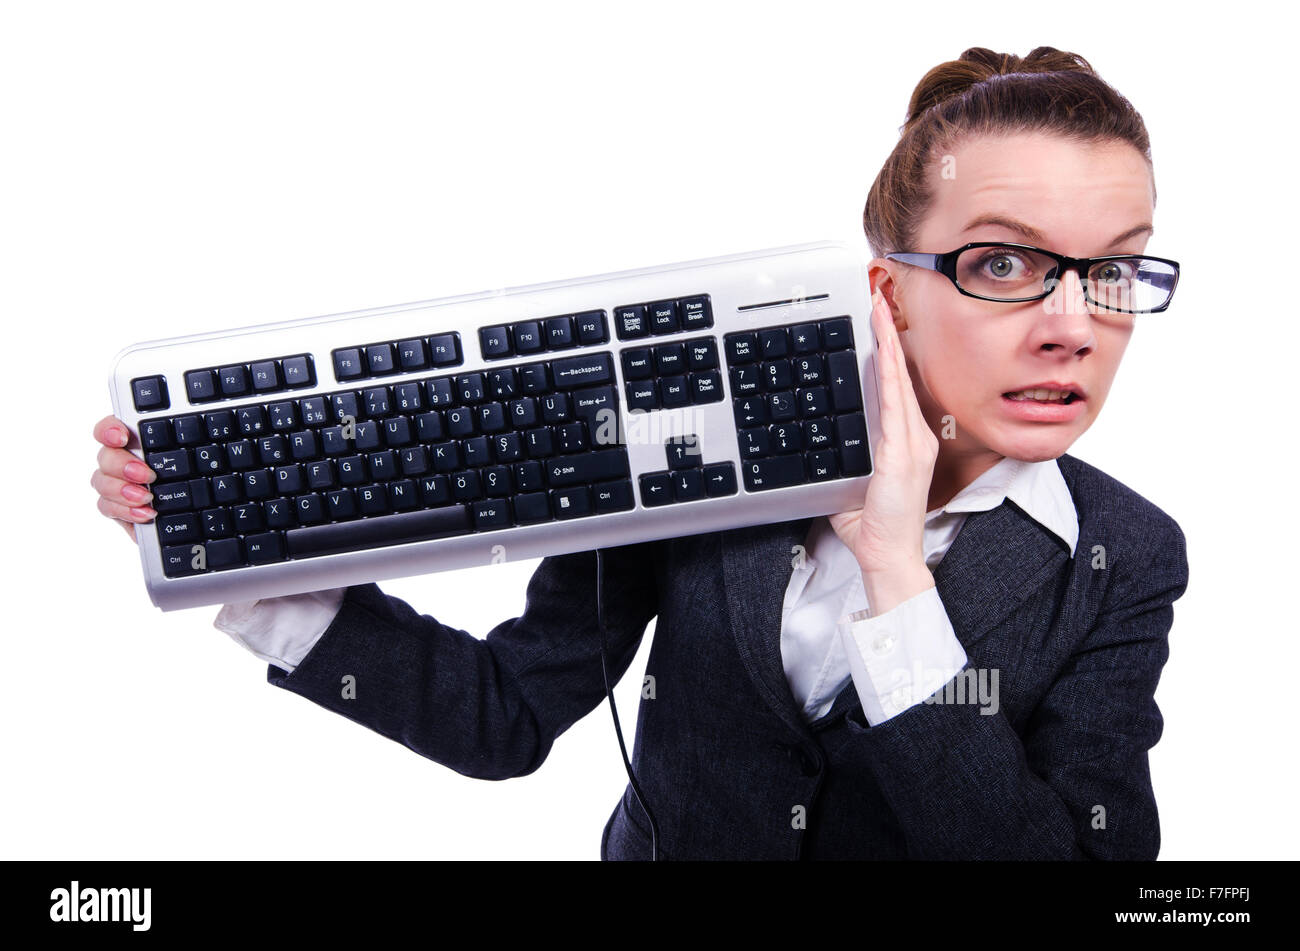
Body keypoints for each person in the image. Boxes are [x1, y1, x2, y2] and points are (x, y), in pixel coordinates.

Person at [90, 46, 1188, 860]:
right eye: (1003, 264)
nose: (1074, 325)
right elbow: (502, 717)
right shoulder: (699, 456)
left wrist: (896, 575)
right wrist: (234, 532)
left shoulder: (1124, 556)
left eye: (1115, 272)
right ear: (883, 291)